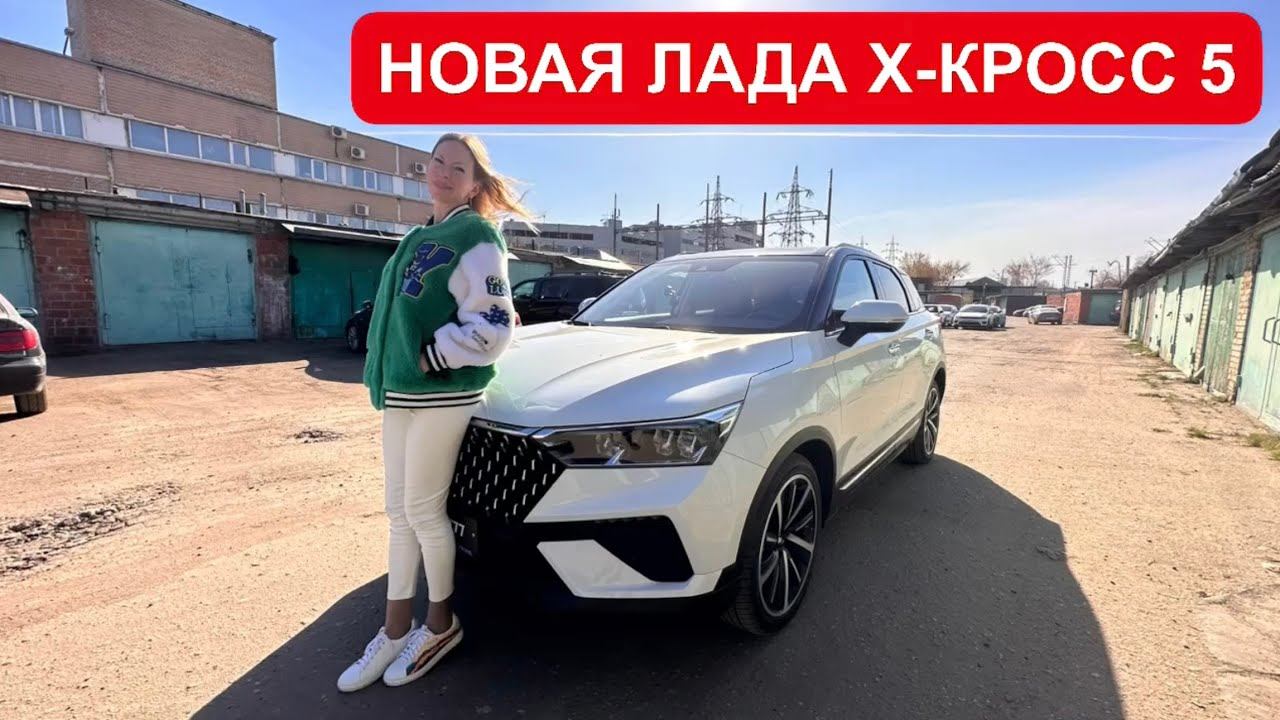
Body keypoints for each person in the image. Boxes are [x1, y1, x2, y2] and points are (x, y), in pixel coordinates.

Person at [337, 133, 530, 692]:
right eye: (437, 162)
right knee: (398, 512)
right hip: (401, 393)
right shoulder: (419, 236)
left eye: (458, 168)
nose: (444, 173)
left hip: (442, 393)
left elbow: (495, 323)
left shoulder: (477, 236)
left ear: (474, 185)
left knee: (423, 512)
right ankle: (395, 629)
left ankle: (440, 625)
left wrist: (433, 356)